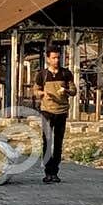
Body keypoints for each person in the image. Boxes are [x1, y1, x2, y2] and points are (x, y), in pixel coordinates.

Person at [30, 44, 73, 184]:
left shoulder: (66, 73)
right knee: (47, 141)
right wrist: (42, 93)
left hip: (62, 111)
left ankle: (55, 171)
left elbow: (74, 91)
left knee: (58, 142)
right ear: (48, 59)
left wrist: (65, 91)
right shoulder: (42, 75)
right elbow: (35, 91)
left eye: (58, 58)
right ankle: (48, 172)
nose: (56, 60)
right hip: (47, 111)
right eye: (53, 58)